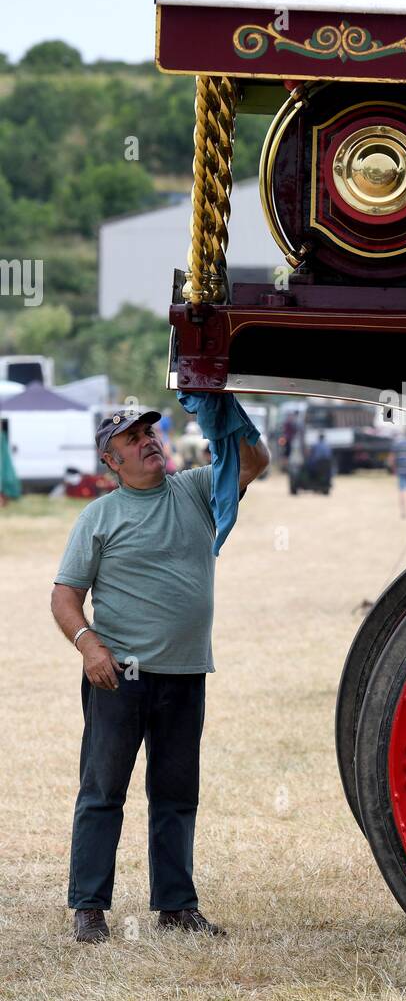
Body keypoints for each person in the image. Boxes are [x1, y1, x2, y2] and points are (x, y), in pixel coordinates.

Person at [50, 404, 269, 944]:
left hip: (185, 673)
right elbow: (64, 596)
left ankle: (175, 906)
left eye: (150, 431)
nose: (149, 440)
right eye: (133, 437)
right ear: (112, 460)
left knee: (176, 794)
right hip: (117, 675)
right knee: (103, 790)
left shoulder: (196, 490)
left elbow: (254, 461)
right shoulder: (98, 517)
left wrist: (227, 408)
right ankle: (89, 908)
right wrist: (89, 647)